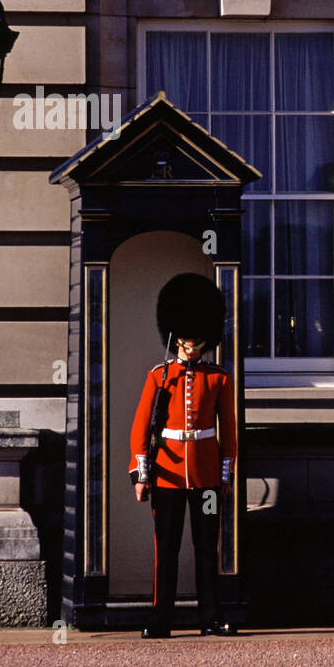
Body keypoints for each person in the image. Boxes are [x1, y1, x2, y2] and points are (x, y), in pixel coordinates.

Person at [129, 272, 239, 639]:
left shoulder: (218, 378)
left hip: (206, 476)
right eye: (187, 337)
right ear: (176, 337)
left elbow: (229, 433)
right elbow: (140, 429)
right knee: (168, 550)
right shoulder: (159, 376)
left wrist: (225, 475)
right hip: (168, 475)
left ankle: (210, 618)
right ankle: (162, 619)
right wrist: (141, 474)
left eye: (197, 338)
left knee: (208, 548)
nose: (192, 344)